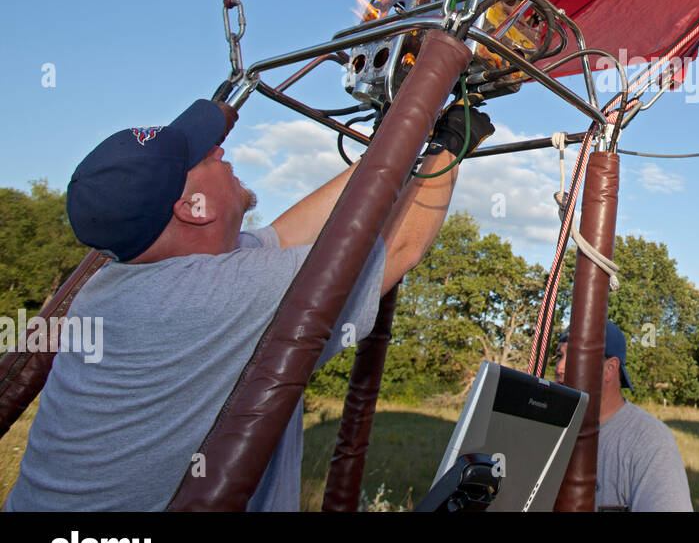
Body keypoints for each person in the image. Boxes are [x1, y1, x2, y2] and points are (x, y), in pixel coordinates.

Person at [4, 96, 492, 511]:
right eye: (204, 156)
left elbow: (286, 235)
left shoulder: (124, 282)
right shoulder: (209, 297)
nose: (220, 148)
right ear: (193, 207)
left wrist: (400, 139)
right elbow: (396, 249)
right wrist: (449, 149)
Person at [555, 321, 692, 511]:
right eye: (559, 356)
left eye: (575, 357)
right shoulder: (549, 431)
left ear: (609, 369)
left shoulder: (650, 441)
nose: (559, 368)